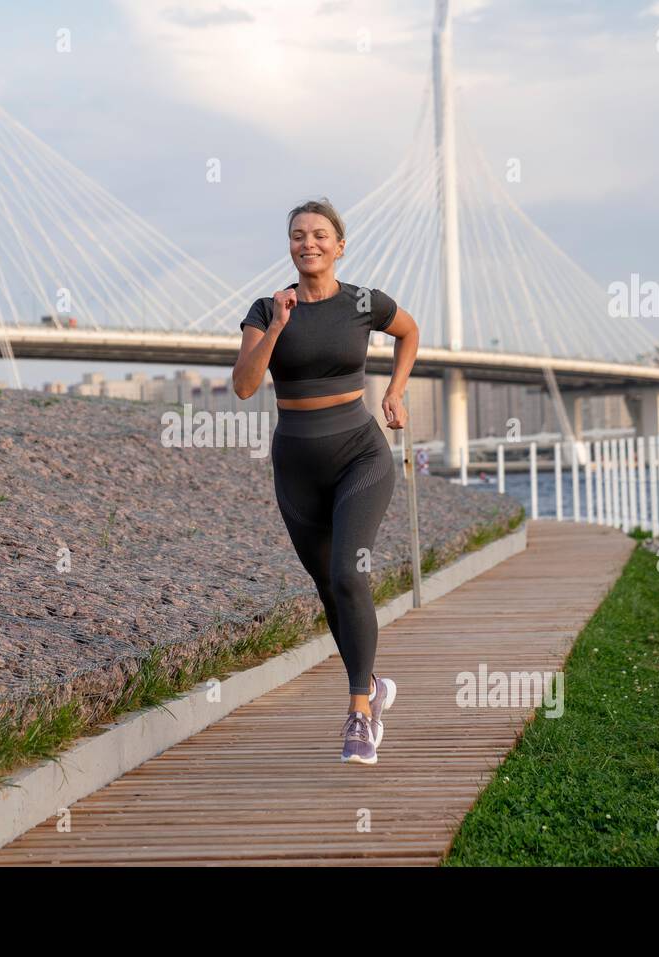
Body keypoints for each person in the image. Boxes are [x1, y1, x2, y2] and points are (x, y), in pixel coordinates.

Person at [232, 198, 419, 764]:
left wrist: (394, 391)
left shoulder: (364, 302)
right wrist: (278, 327)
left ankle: (359, 712)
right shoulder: (267, 309)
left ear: (340, 245)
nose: (306, 243)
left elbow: (408, 333)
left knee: (348, 572)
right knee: (328, 587)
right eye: (296, 236)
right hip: (296, 464)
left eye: (318, 235)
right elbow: (243, 385)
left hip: (361, 455)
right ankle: (373, 683)